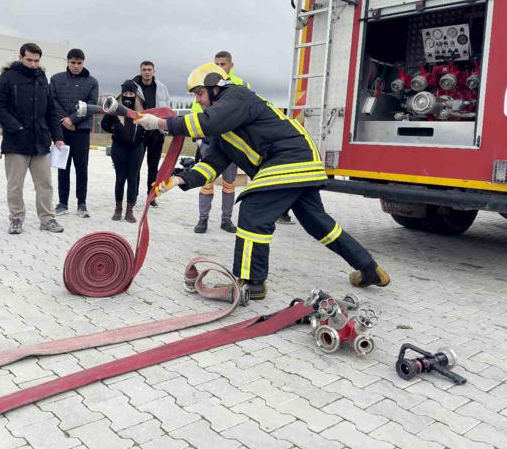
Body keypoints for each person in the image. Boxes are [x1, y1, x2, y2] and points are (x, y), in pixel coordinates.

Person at [137, 63, 390, 300]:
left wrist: (162, 123)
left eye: (200, 93)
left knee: (253, 210)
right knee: (317, 222)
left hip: (289, 157)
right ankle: (369, 268)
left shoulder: (236, 96)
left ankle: (252, 283)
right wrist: (178, 179)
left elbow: (206, 122)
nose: (198, 101)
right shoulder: (222, 128)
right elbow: (211, 163)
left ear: (216, 87)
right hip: (297, 160)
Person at [0, 43, 64, 234]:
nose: (32, 64)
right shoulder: (6, 78)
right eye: (29, 60)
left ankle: (47, 218)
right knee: (15, 186)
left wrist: (58, 137)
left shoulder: (42, 78)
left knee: (45, 184)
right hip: (16, 142)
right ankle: (16, 218)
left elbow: (51, 111)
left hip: (41, 142)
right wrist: (15, 126)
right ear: (20, 57)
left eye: (36, 61)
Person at [191, 51, 248, 234]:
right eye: (216, 64)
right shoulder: (204, 84)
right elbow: (196, 112)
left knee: (229, 183)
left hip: (231, 143)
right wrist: (199, 140)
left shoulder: (240, 85)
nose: (219, 67)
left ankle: (226, 220)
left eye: (222, 64)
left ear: (231, 66)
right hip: (210, 142)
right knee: (206, 182)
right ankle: (203, 220)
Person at [49, 48, 98, 218]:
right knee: (63, 167)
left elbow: (90, 106)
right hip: (61, 131)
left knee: (81, 167)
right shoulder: (55, 79)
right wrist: (64, 119)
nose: (76, 66)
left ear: (83, 62)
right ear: (67, 62)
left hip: (81, 131)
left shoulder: (92, 82)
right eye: (73, 63)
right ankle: (62, 203)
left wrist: (72, 120)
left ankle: (81, 203)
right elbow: (52, 101)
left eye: (79, 63)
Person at [101, 80, 145, 222]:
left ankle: (130, 210)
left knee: (133, 178)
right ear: (122, 93)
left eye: (131, 93)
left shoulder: (142, 107)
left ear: (135, 94)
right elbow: (104, 123)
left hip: (136, 147)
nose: (128, 95)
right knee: (120, 178)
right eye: (125, 93)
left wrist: (141, 134)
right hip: (119, 147)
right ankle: (118, 209)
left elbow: (151, 123)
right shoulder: (114, 107)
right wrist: (115, 129)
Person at [133, 61, 170, 207]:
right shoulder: (133, 87)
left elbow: (167, 107)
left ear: (154, 71)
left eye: (149, 70)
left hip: (156, 131)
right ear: (140, 70)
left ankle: (152, 195)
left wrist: (166, 126)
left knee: (153, 166)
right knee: (136, 164)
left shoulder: (162, 88)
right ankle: (133, 194)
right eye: (144, 69)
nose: (147, 72)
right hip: (140, 131)